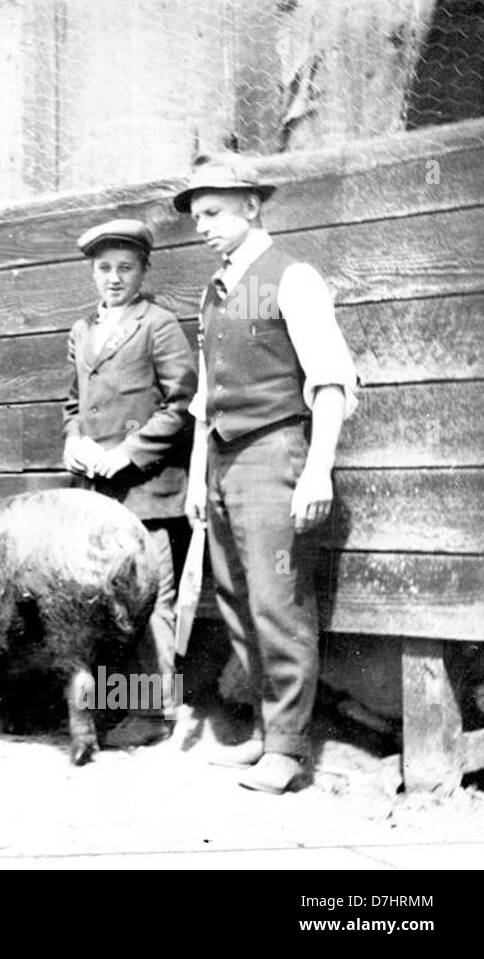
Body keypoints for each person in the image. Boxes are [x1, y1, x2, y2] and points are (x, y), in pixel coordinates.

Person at [175, 155, 359, 794]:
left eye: (215, 212)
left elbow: (331, 381)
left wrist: (317, 472)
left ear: (252, 206)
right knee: (234, 599)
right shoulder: (213, 291)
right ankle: (262, 727)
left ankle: (288, 747)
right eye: (196, 216)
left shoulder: (291, 276)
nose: (203, 226)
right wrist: (199, 478)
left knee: (278, 601)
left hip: (275, 453)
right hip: (223, 460)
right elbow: (204, 401)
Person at [63, 218, 196, 748]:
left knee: (150, 603)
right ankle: (124, 708)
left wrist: (129, 453)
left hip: (149, 491)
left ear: (143, 270)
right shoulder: (81, 330)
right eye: (104, 269)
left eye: (125, 268)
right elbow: (72, 404)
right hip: (97, 495)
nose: (114, 279)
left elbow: (182, 404)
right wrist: (74, 440)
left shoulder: (158, 324)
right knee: (107, 604)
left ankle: (159, 713)